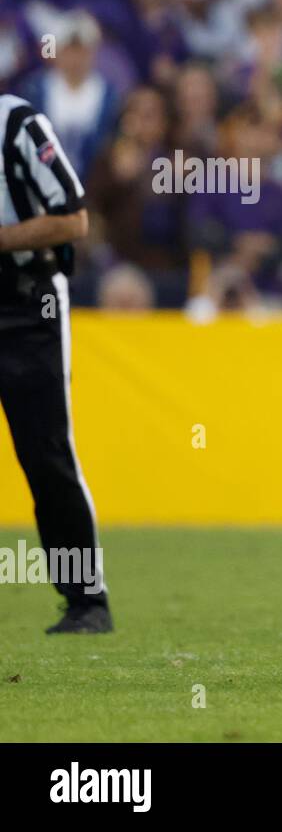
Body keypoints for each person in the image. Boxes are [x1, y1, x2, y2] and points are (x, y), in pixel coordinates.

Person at [0, 94, 109, 633]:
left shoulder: (16, 122)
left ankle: (87, 600)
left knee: (45, 453)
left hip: (27, 306)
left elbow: (74, 220)